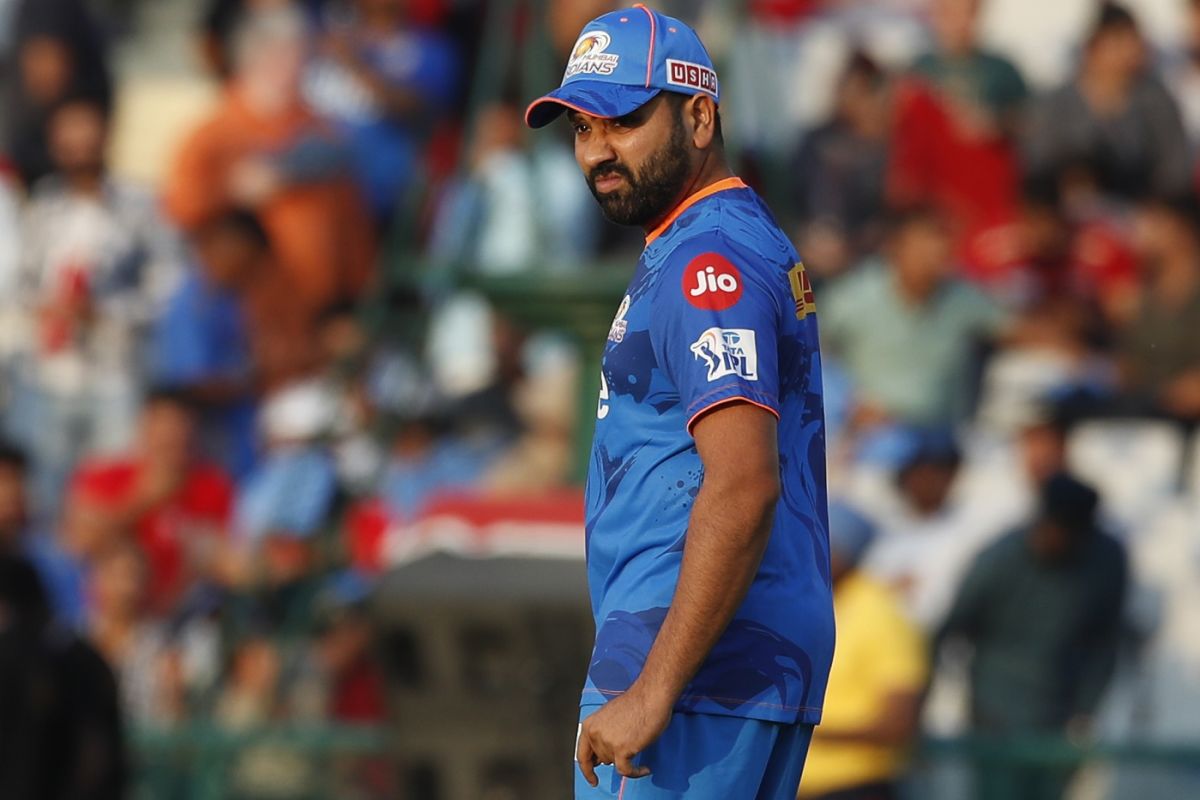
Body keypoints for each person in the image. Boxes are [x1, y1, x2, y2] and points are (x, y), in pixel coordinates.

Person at [525, 6, 834, 797]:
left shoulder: (708, 259)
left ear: (699, 115)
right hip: (731, 667)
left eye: (624, 121)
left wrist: (652, 689)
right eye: (582, 128)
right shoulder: (719, 236)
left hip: (691, 673)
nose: (598, 151)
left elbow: (743, 482)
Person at [7, 97, 183, 514]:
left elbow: (167, 285)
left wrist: (105, 313)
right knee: (47, 493)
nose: (80, 144)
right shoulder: (44, 207)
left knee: (112, 487)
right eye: (69, 134)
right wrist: (49, 308)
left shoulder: (140, 207)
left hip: (115, 377)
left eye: (88, 131)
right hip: (50, 376)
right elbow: (22, 282)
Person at [163, 5, 376, 320]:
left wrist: (357, 307)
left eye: (297, 53)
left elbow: (351, 227)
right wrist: (232, 191)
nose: (293, 64)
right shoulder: (213, 135)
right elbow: (179, 210)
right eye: (281, 53)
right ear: (252, 57)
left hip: (318, 319)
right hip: (240, 320)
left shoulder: (322, 133)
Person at [938, 473, 1128, 800]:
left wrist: (1086, 710)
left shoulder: (1106, 560)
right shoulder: (999, 558)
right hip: (994, 718)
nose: (1055, 539)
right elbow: (951, 628)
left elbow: (1105, 641)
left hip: (1061, 720)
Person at [820, 205, 1009, 429]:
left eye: (943, 239)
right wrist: (843, 399)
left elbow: (1017, 331)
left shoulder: (964, 295)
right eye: (925, 240)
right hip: (874, 440)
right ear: (895, 246)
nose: (937, 249)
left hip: (949, 438)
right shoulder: (851, 298)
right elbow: (810, 350)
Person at [798, 502, 928, 800]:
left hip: (855, 787)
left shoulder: (881, 614)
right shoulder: (817, 604)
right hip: (799, 785)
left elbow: (898, 724)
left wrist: (805, 730)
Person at [1024, 2, 1191, 204]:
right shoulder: (1057, 104)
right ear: (1093, 47)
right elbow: (1039, 164)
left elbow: (1175, 171)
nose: (1128, 52)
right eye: (1118, 42)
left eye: (1133, 42)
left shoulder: (1156, 100)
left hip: (1143, 215)